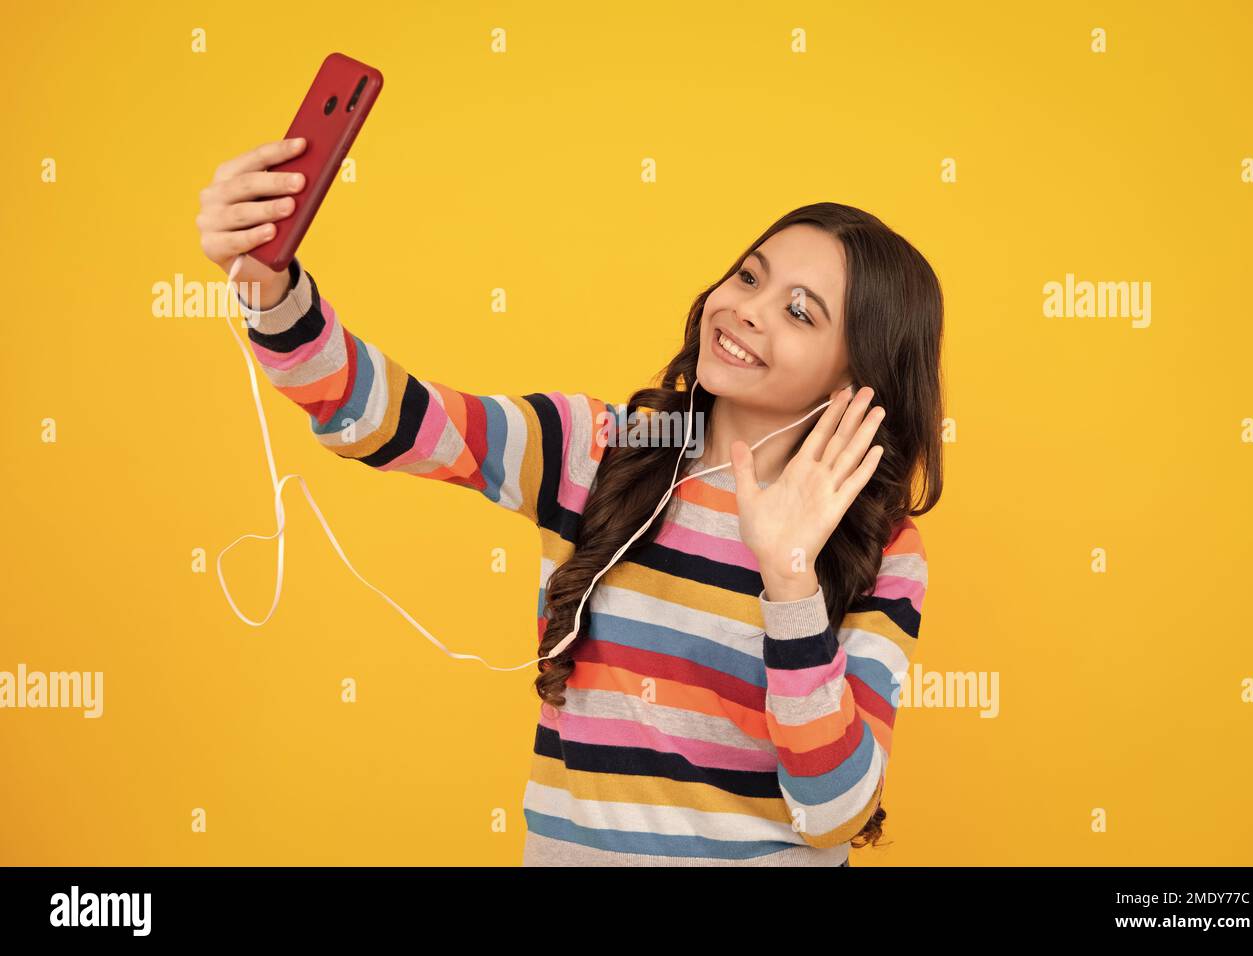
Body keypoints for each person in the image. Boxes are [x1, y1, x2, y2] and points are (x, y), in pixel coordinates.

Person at [196, 138, 944, 866]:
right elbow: (385, 415)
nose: (749, 310)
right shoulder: (593, 451)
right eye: (749, 278)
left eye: (800, 311)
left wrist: (789, 579)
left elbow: (835, 813)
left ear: (855, 380)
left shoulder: (881, 549)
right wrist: (271, 287)